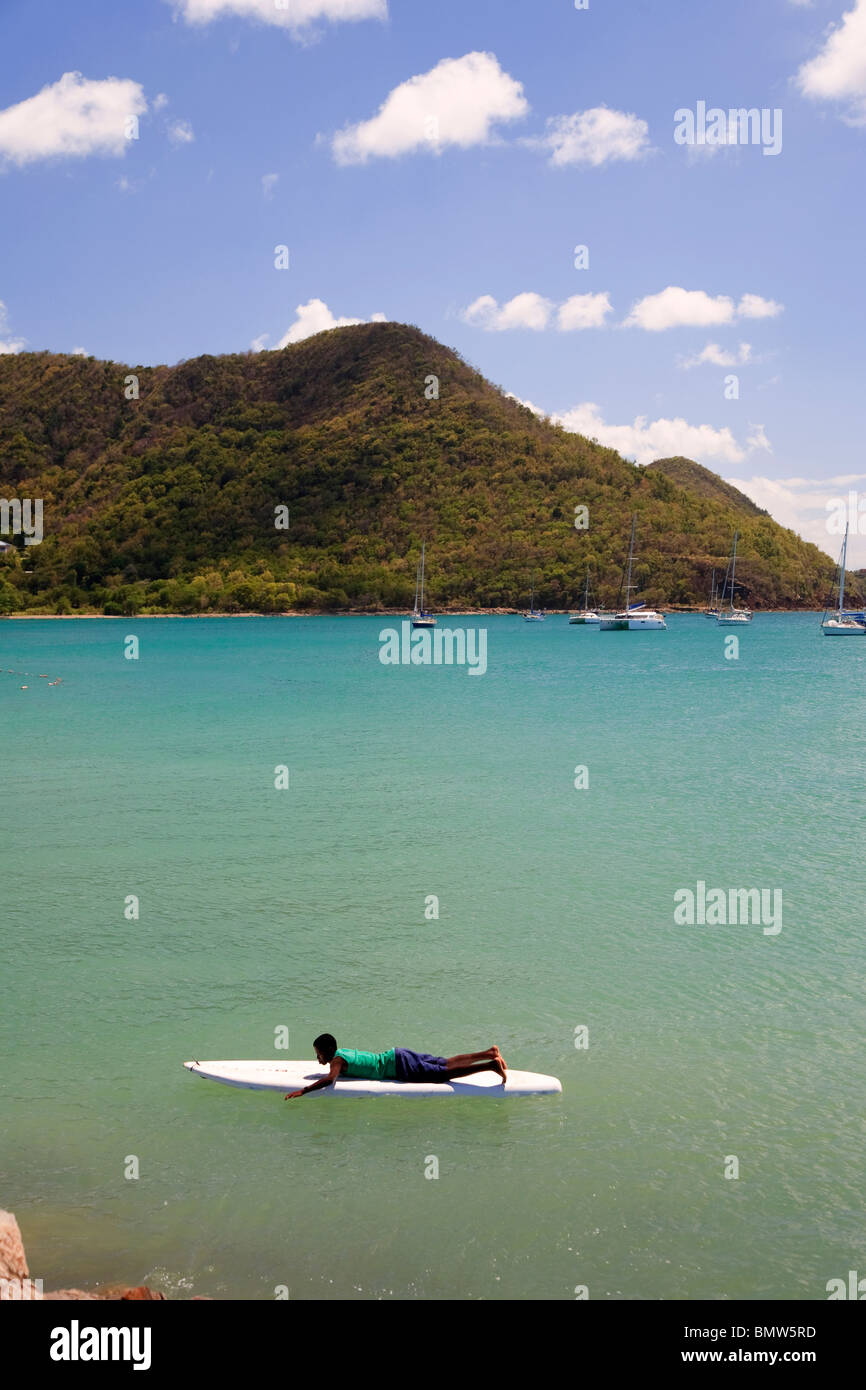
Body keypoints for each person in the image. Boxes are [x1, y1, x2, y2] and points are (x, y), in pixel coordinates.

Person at [284, 1034, 507, 1097]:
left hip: (398, 1067)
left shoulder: (337, 1061)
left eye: (319, 1054)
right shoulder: (342, 1053)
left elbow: (329, 1079)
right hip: (397, 1054)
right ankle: (489, 1052)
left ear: (328, 1052)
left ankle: (490, 1065)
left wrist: (304, 1091)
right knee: (444, 1061)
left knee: (443, 1074)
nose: (318, 1059)